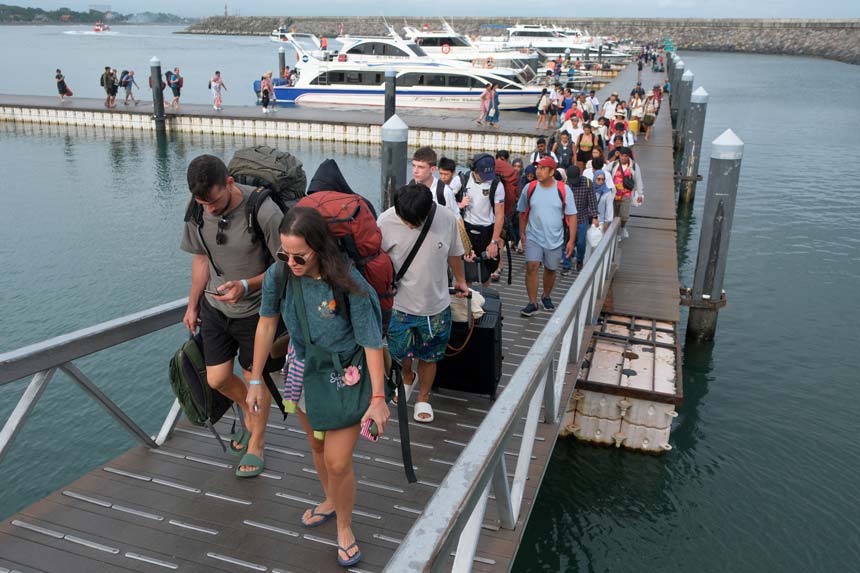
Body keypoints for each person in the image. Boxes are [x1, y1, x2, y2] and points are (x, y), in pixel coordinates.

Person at [250, 207, 387, 568]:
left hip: (343, 373)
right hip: (302, 368)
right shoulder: (278, 275)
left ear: (319, 248)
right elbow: (266, 325)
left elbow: (371, 340)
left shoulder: (347, 282)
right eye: (284, 254)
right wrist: (254, 379)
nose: (291, 262)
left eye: (299, 256)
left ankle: (344, 526)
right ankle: (330, 499)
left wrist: (378, 398)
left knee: (338, 461)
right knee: (316, 443)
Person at [180, 154, 284, 479]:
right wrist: (193, 304)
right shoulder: (197, 211)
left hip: (258, 312)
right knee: (217, 378)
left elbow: (287, 264)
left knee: (256, 379)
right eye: (202, 202)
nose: (209, 209)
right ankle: (251, 418)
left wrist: (246, 285)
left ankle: (258, 443)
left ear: (229, 183)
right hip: (216, 308)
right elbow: (200, 259)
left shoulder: (263, 210)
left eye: (214, 201)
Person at [378, 183, 468, 423]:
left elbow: (454, 253)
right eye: (404, 220)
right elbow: (377, 261)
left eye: (413, 221)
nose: (408, 225)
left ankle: (423, 398)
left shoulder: (446, 218)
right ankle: (407, 377)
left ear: (428, 212)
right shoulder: (385, 221)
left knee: (430, 355)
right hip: (399, 305)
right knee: (400, 353)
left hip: (435, 305)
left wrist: (461, 280)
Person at [517, 156, 576, 316]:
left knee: (551, 269)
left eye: (543, 168)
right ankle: (532, 302)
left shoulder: (564, 190)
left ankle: (546, 296)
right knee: (532, 267)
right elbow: (522, 212)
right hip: (533, 236)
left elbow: (572, 216)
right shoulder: (530, 188)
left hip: (555, 238)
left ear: (551, 172)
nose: (538, 171)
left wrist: (571, 240)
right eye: (537, 168)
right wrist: (522, 234)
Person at [459, 153, 505, 286]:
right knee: (467, 272)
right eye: (482, 176)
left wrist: (494, 242)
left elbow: (500, 214)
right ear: (474, 170)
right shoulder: (463, 179)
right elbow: (448, 202)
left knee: (485, 274)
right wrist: (460, 204)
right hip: (467, 228)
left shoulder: (497, 185)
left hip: (487, 230)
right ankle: (466, 300)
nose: (486, 179)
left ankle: (483, 301)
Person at [566, 165, 598, 273]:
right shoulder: (565, 183)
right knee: (567, 240)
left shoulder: (587, 183)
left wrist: (594, 216)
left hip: (582, 217)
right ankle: (567, 263)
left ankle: (580, 260)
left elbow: (592, 200)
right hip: (568, 218)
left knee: (581, 242)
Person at [607, 147, 644, 239]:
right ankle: (616, 234)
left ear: (628, 157)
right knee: (614, 216)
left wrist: (640, 194)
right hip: (614, 194)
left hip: (626, 194)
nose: (623, 158)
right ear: (619, 155)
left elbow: (638, 180)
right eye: (621, 156)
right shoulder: (613, 164)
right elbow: (605, 173)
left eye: (625, 156)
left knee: (624, 216)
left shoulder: (634, 166)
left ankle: (622, 228)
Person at [410, 147, 459, 215]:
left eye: (421, 167)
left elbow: (457, 218)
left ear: (432, 169)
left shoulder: (445, 192)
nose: (415, 171)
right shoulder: (409, 188)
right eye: (414, 166)